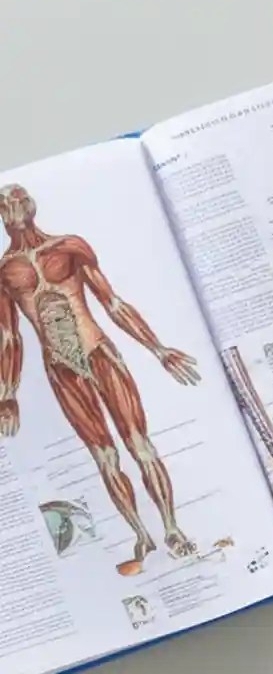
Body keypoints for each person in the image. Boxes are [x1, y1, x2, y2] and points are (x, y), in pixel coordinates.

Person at [0, 184, 201, 576]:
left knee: (139, 445)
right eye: (4, 205)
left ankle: (172, 529)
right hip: (61, 370)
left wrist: (158, 349)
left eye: (17, 198)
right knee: (105, 457)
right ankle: (142, 533)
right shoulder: (5, 273)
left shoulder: (70, 246)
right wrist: (7, 393)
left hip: (101, 353)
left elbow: (112, 302)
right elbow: (10, 337)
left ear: (31, 203)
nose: (13, 208)